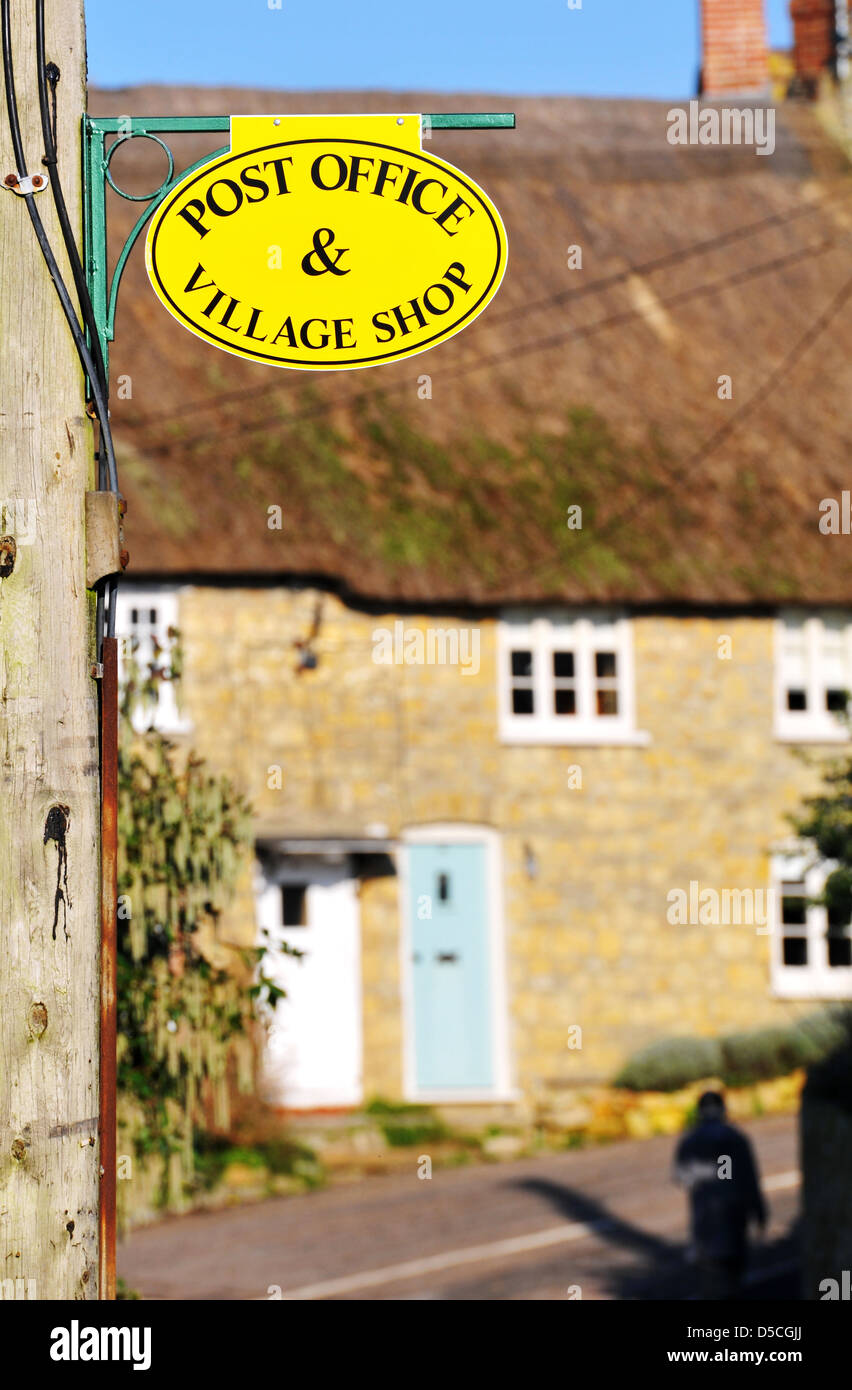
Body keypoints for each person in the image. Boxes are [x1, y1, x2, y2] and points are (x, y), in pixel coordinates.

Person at [673, 1090, 768, 1299]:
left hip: (704, 1222)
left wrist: (705, 1174)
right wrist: (760, 1214)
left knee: (712, 1285)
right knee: (734, 1281)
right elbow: (750, 1180)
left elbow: (681, 1177)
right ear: (723, 1109)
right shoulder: (735, 1138)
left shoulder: (689, 1141)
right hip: (734, 1218)